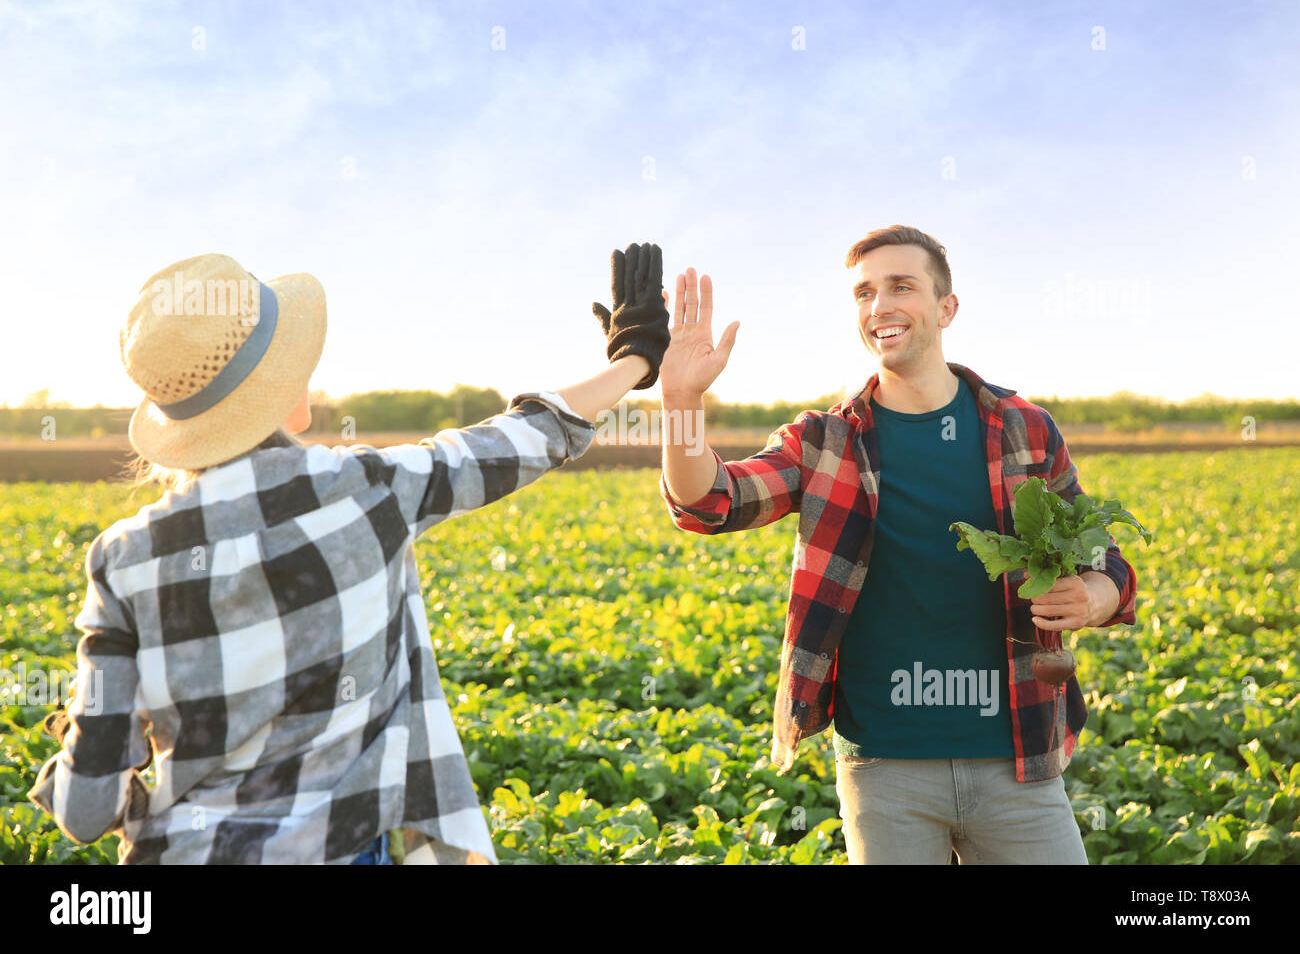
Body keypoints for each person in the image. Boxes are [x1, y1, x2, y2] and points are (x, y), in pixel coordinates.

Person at [28, 243, 671, 864]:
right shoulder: (372, 490)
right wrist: (633, 360)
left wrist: (87, 755)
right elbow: (516, 440)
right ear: (285, 387)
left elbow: (86, 813)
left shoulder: (122, 560)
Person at [657, 224, 1138, 864]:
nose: (878, 305)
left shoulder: (1024, 427)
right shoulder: (826, 439)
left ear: (946, 308)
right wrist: (682, 398)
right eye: (863, 293)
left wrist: (1096, 596)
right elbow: (709, 501)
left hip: (1019, 755)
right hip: (884, 769)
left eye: (900, 286)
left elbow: (1099, 552)